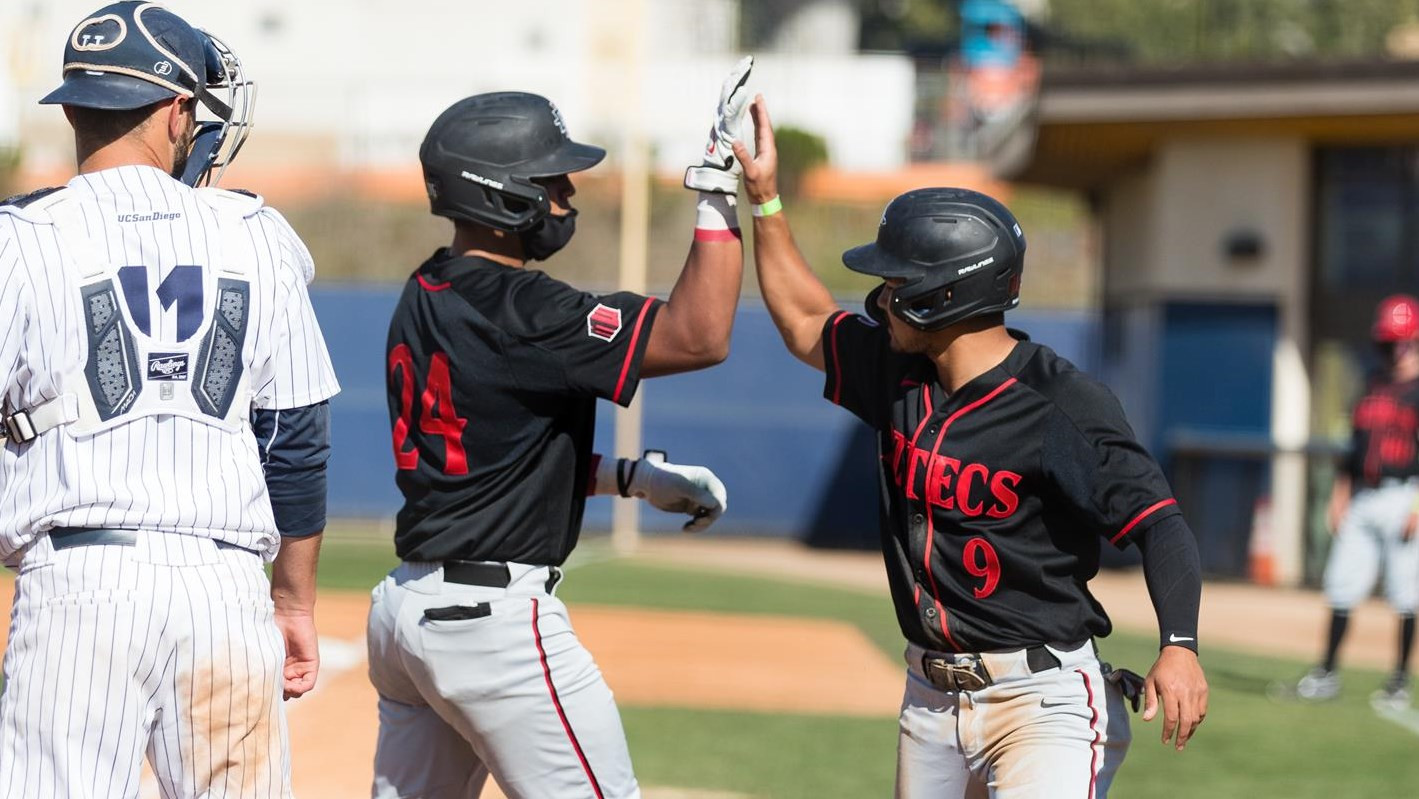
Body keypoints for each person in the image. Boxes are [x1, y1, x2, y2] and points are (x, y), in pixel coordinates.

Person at [733, 97, 1209, 797]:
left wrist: (1180, 645)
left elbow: (1159, 523)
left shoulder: (1061, 405)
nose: (881, 297)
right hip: (928, 702)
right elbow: (804, 318)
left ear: (942, 296)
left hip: (1041, 702)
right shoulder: (898, 371)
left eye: (896, 283)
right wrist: (766, 201)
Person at [366, 58, 753, 799]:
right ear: (501, 192)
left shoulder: (426, 287)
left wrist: (634, 479)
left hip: (406, 612)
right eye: (550, 182)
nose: (566, 195)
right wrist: (715, 189)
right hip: (491, 624)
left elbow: (494, 452)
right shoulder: (523, 307)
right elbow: (699, 335)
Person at [0, 3, 339, 796]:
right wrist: (292, 601)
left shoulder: (19, 238)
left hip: (77, 584)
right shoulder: (256, 231)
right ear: (177, 109)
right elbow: (295, 437)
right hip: (223, 589)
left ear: (75, 106)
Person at [1292, 294, 1419, 709]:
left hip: (1406, 495)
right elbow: (1354, 446)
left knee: (1405, 592)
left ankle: (1399, 680)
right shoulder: (1372, 383)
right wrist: (1340, 493)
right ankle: (1326, 672)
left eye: (1402, 341)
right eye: (1389, 341)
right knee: (1342, 585)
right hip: (1363, 495)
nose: (1394, 349)